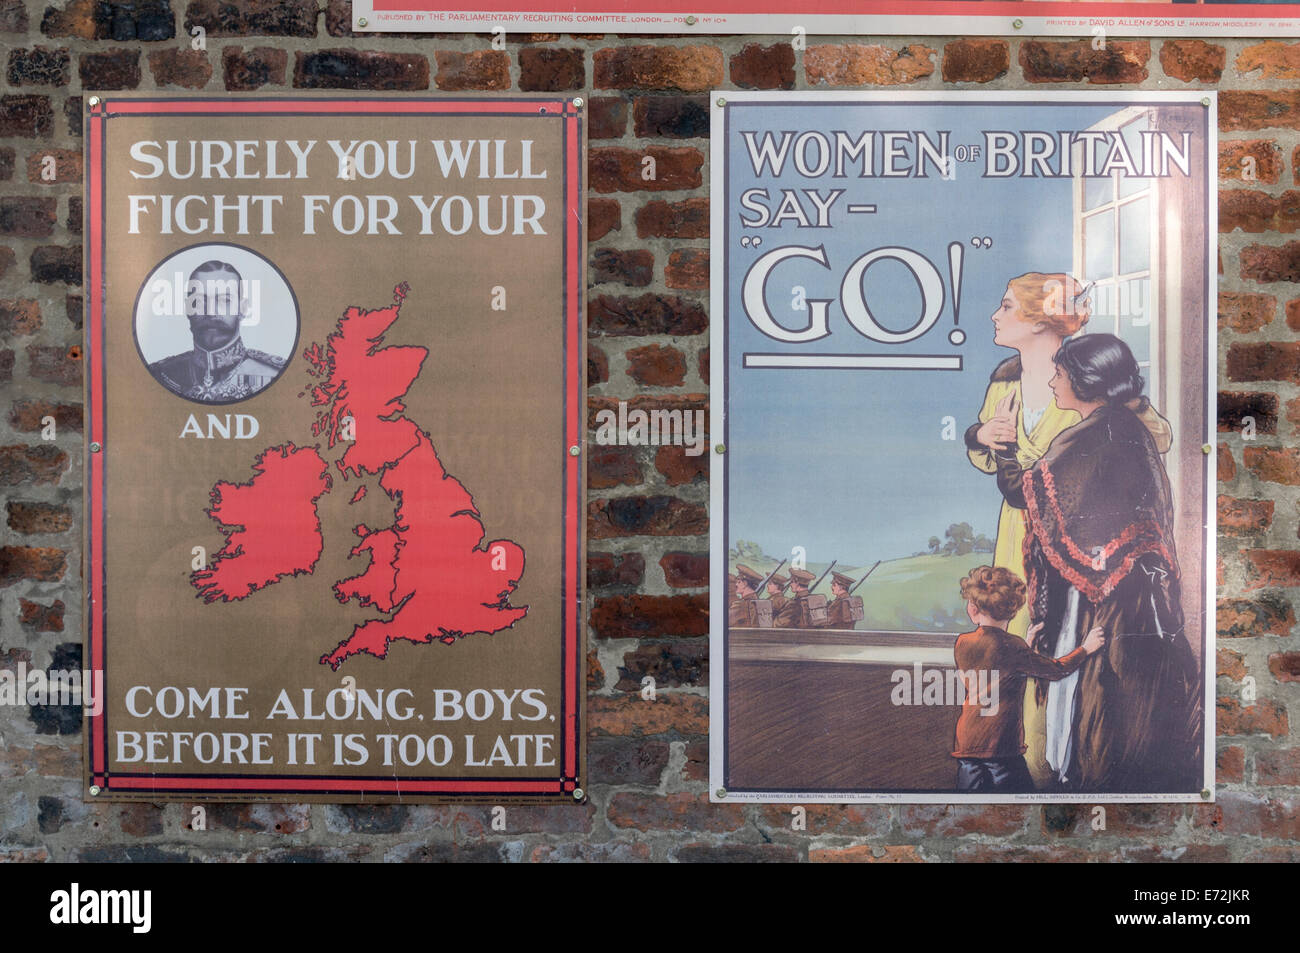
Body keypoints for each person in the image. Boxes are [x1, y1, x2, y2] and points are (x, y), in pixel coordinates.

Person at [964, 272, 1170, 787]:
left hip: (1076, 538)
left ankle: (1057, 758)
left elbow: (1158, 437)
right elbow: (987, 458)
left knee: (1059, 632)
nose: (994, 315)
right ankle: (1010, 753)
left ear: (1039, 320)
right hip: (1020, 530)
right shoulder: (1004, 376)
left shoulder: (1087, 372)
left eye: (1006, 306)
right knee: (1011, 640)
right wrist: (981, 435)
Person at [993, 334, 1201, 793]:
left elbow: (1026, 492)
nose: (1051, 382)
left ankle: (1089, 777)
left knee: (1103, 695)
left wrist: (1003, 446)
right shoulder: (1124, 427)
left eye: (1061, 374)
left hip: (1105, 592)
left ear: (1086, 382)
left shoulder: (1096, 430)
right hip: (1129, 587)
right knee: (1118, 696)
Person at [952, 566, 1105, 793]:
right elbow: (1056, 670)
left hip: (967, 741)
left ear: (972, 609)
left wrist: (1025, 645)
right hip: (1001, 746)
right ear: (1011, 611)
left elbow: (994, 661)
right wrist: (1086, 649)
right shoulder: (1013, 647)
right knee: (1019, 803)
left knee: (971, 801)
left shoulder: (962, 643)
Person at [147, 259, 287, 402]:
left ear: (243, 308)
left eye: (224, 300)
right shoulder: (160, 374)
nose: (211, 312)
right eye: (199, 301)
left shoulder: (277, 375)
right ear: (187, 308)